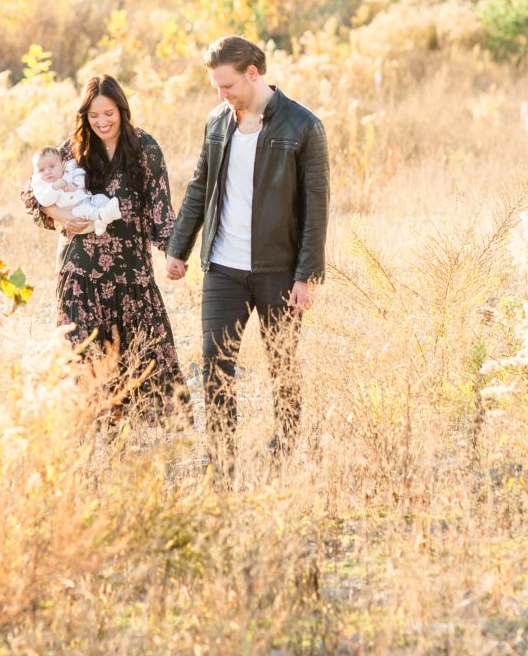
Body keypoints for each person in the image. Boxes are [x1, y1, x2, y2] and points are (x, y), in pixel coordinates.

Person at [165, 35, 329, 481]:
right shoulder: (217, 121)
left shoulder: (303, 126)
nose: (221, 95)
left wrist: (306, 276)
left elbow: (316, 207)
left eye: (227, 85)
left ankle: (283, 458)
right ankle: (222, 468)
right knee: (215, 368)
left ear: (252, 74)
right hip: (223, 268)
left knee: (283, 368)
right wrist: (179, 248)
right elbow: (200, 186)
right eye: (216, 87)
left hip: (280, 272)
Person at [21, 75, 188, 418]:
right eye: (93, 115)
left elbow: (160, 206)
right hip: (79, 273)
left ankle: (158, 438)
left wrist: (174, 253)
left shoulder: (144, 147)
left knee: (146, 356)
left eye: (109, 113)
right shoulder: (73, 149)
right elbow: (31, 190)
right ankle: (89, 436)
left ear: (122, 110)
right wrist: (57, 213)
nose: (102, 122)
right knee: (83, 361)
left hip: (131, 273)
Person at [29, 146, 121, 235]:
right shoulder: (42, 186)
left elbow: (81, 174)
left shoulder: (70, 169)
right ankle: (101, 215)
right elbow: (44, 201)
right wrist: (55, 187)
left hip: (89, 201)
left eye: (52, 166)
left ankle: (101, 222)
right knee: (84, 209)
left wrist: (75, 184)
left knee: (100, 198)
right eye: (41, 170)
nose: (47, 172)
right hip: (75, 216)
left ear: (63, 164)